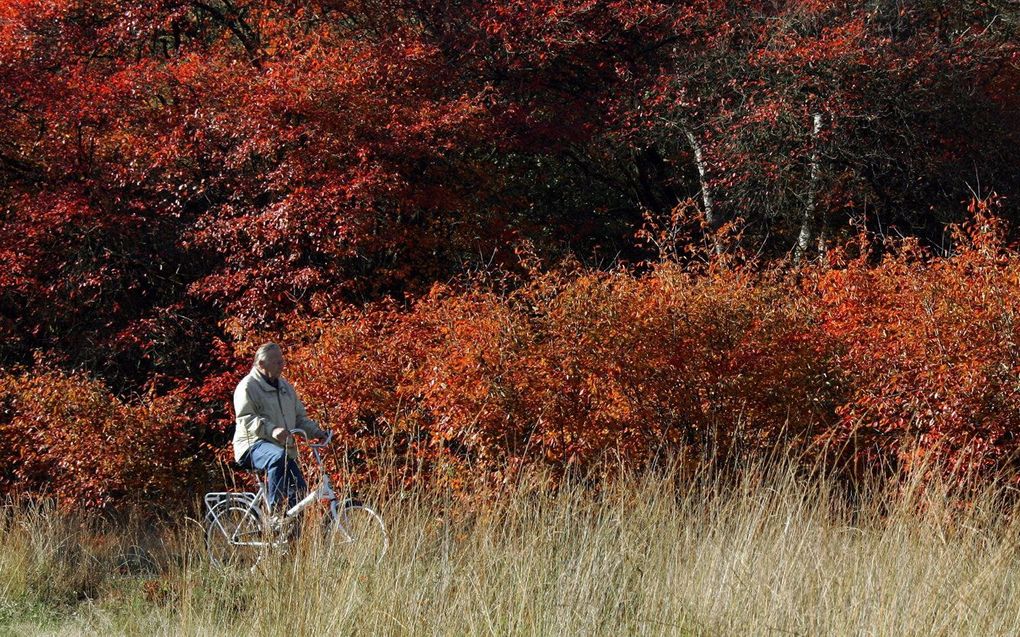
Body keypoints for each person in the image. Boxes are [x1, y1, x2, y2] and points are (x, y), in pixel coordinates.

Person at [233, 342, 327, 517]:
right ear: (261, 365)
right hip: (252, 445)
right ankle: (275, 512)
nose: (281, 365)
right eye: (276, 362)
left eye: (281, 361)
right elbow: (246, 418)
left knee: (300, 495)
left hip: (282, 450)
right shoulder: (247, 387)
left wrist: (317, 432)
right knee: (277, 456)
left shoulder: (286, 388)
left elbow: (299, 418)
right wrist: (273, 430)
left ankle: (291, 538)